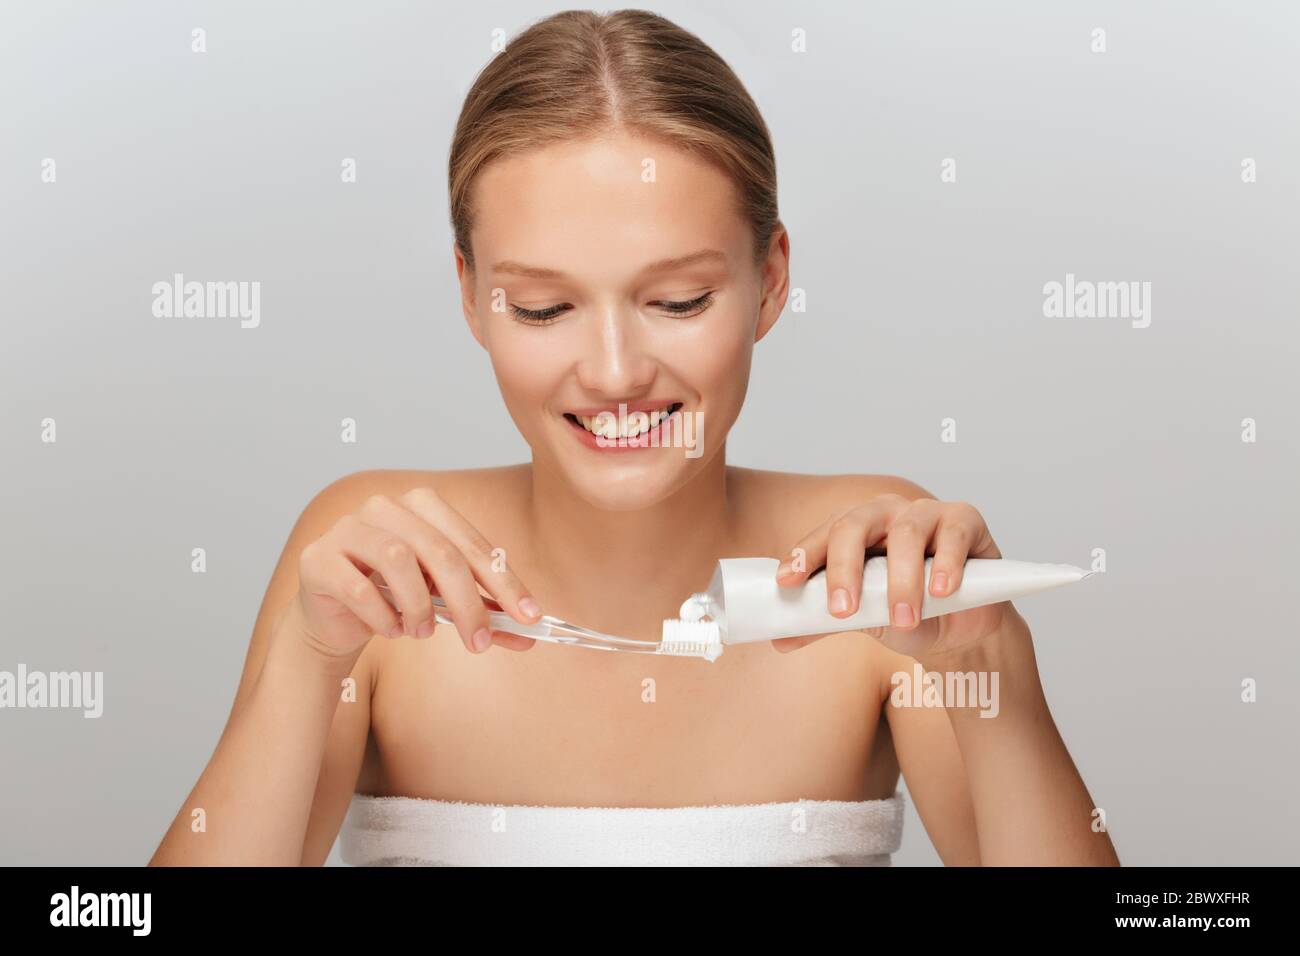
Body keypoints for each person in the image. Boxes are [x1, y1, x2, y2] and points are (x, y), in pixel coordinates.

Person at [150, 9, 1119, 866]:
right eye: (542, 306)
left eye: (677, 299)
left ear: (770, 280)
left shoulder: (868, 581)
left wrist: (988, 671)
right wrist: (305, 661)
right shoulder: (373, 560)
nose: (614, 371)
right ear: (470, 295)